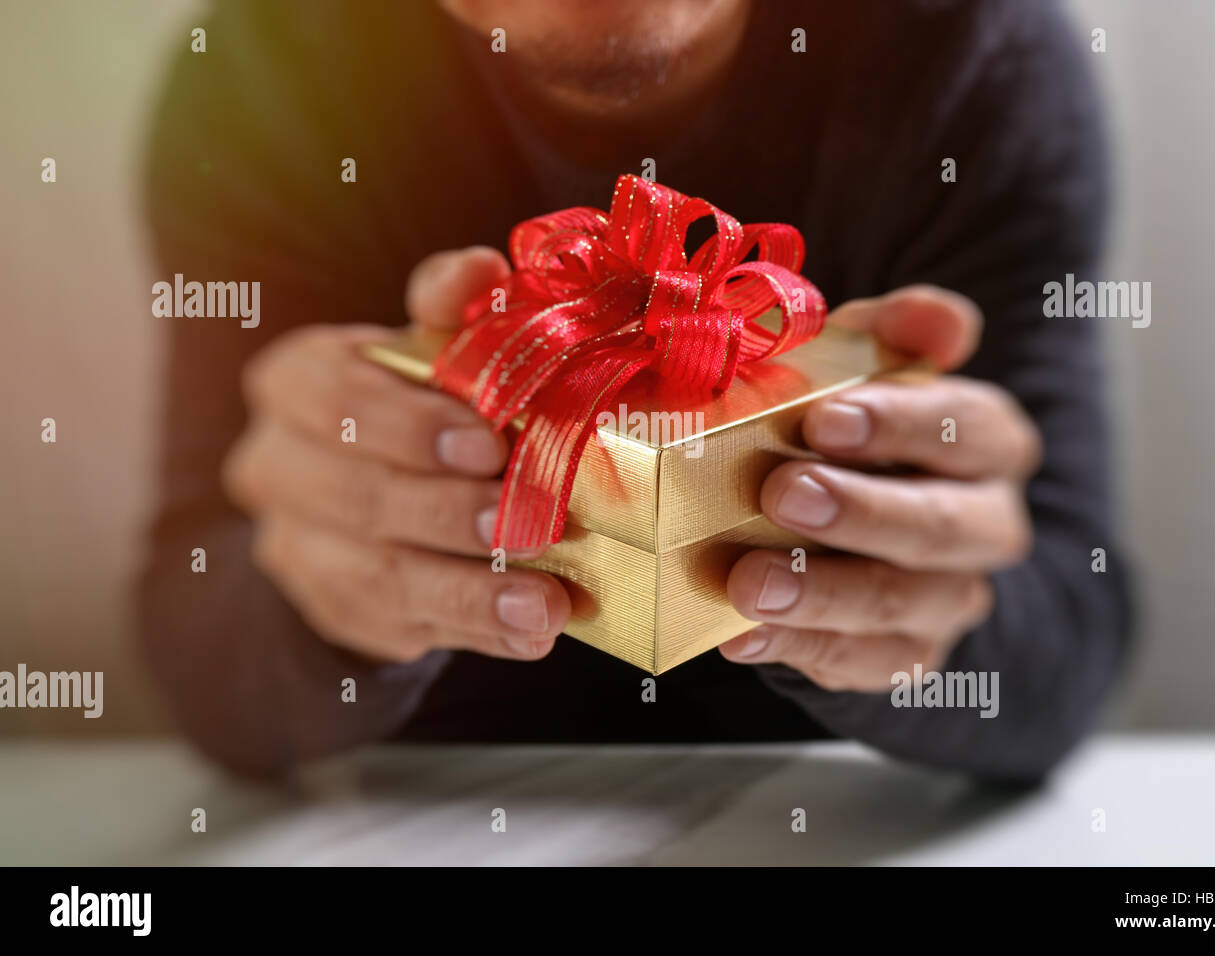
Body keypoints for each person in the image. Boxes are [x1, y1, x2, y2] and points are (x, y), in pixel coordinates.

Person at [138, 0, 1131, 781]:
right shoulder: (268, 68)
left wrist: (929, 621)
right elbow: (198, 657)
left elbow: (1065, 650)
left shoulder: (968, 54)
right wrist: (324, 598)